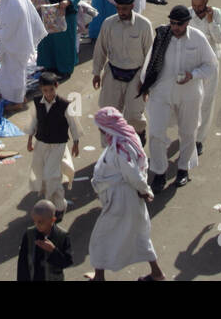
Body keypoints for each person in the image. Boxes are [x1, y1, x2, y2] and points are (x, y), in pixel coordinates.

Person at [139, 5, 218, 191]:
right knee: (156, 133)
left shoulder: (198, 39)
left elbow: (211, 65)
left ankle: (183, 169)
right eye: (172, 23)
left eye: (179, 24)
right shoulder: (162, 36)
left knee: (188, 132)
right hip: (162, 93)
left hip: (189, 94)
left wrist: (194, 74)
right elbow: (149, 64)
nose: (175, 27)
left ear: (187, 23)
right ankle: (159, 172)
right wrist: (145, 86)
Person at [88, 107, 165, 281]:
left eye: (101, 127)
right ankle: (157, 273)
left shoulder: (121, 145)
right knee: (139, 235)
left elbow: (132, 174)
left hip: (122, 199)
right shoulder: (125, 138)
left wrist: (145, 190)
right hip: (123, 197)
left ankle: (99, 276)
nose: (100, 130)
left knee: (101, 237)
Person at [92, 0, 152, 137]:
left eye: (124, 8)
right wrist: (96, 73)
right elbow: (100, 49)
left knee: (134, 116)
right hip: (113, 73)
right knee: (109, 115)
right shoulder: (108, 23)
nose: (121, 12)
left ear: (132, 6)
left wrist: (146, 83)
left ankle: (136, 144)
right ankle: (109, 153)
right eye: (118, 8)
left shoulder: (144, 25)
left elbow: (150, 55)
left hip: (136, 76)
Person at [27, 74, 80, 220]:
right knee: (44, 176)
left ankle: (57, 206)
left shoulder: (65, 105)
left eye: (51, 90)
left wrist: (76, 143)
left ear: (56, 86)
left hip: (58, 145)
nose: (49, 94)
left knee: (52, 175)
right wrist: (30, 139)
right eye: (45, 90)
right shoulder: (37, 103)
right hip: (42, 144)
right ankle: (55, 206)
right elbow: (34, 122)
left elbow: (73, 125)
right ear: (41, 90)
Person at [0, 0, 46, 112]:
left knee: (15, 73)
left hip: (16, 44)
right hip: (17, 42)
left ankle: (18, 102)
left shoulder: (14, 5)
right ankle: (19, 96)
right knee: (13, 71)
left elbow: (10, 28)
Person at [189, 0, 221, 151]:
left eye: (200, 5)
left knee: (206, 103)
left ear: (206, 1)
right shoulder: (188, 14)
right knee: (190, 103)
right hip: (191, 65)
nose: (197, 9)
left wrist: (212, 22)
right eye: (194, 5)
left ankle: (198, 140)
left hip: (210, 66)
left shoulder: (216, 14)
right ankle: (188, 133)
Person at [31, 0, 83, 77]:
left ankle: (65, 69)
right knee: (47, 41)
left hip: (64, 13)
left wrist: (68, 1)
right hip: (47, 12)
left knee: (63, 43)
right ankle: (48, 66)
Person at [16, 199, 74, 281]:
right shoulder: (29, 235)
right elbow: (22, 264)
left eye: (40, 222)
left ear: (53, 220)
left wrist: (53, 250)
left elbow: (67, 262)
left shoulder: (62, 236)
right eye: (34, 221)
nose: (37, 225)